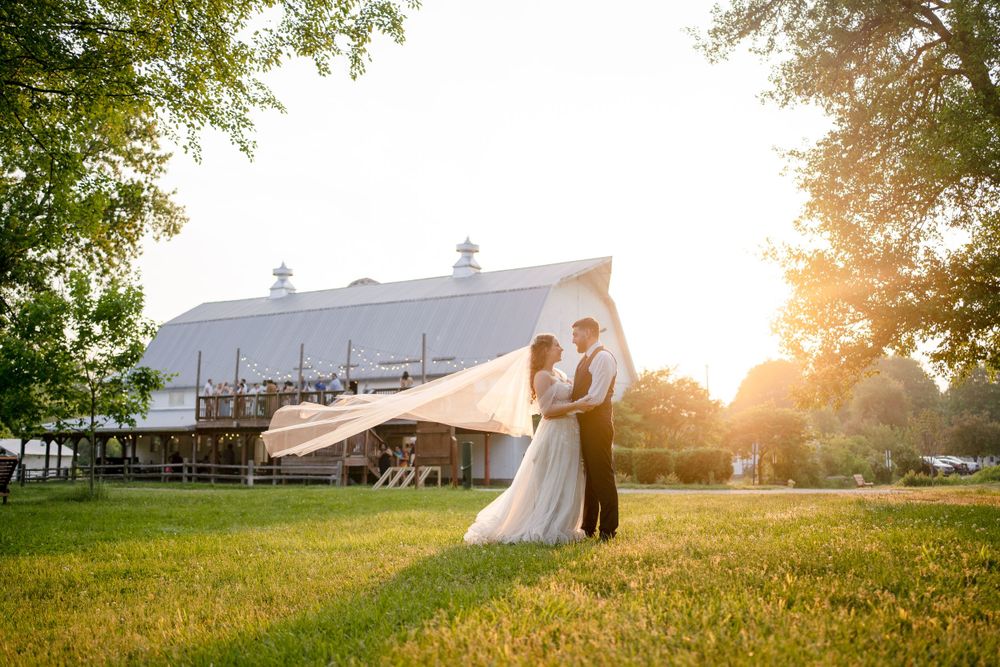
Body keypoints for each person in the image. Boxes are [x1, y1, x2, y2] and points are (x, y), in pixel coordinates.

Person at [464, 333, 590, 545]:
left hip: (570, 433)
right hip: (554, 434)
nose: (562, 348)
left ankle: (561, 524)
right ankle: (542, 524)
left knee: (566, 477)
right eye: (557, 345)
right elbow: (547, 410)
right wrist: (577, 406)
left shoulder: (559, 373)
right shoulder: (541, 376)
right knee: (550, 477)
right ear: (546, 350)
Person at [570, 317, 620, 541]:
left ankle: (608, 529)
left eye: (576, 335)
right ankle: (588, 528)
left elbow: (596, 397)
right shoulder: (585, 359)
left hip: (598, 425)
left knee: (602, 476)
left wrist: (567, 410)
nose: (573, 340)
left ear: (589, 333)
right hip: (586, 424)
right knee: (591, 477)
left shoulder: (602, 358)